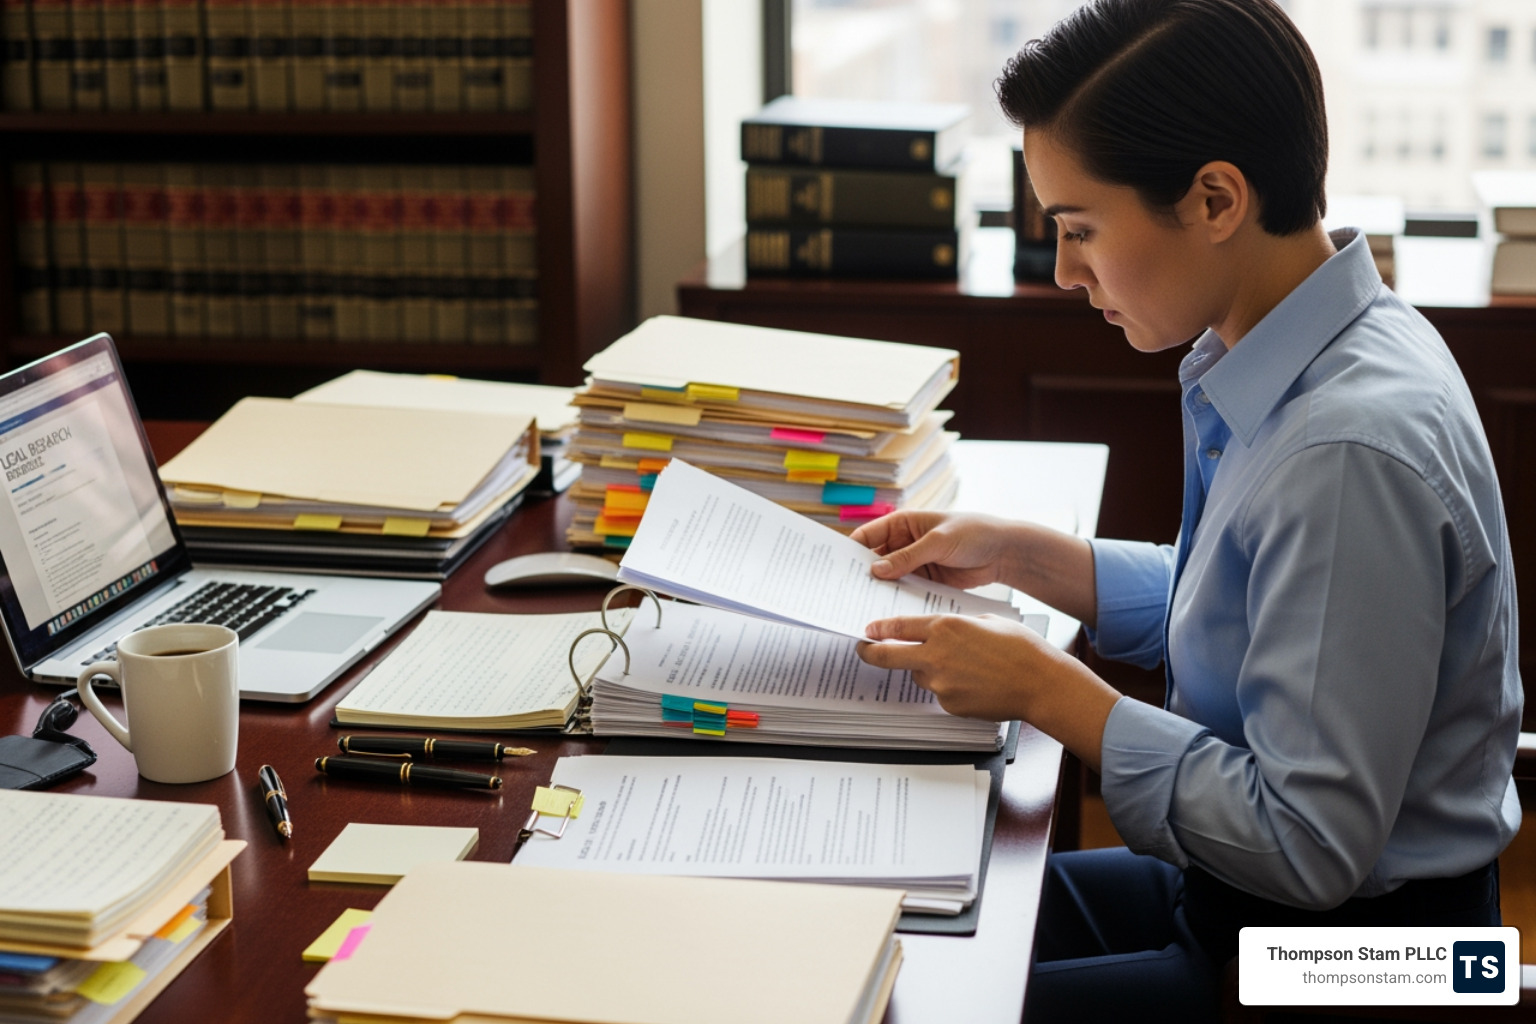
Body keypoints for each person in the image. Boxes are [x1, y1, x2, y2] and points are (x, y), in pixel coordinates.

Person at [852, 1, 1523, 1020]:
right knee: (911, 926)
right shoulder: (1319, 341)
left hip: (1356, 961)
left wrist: (1051, 690)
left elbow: (1310, 844)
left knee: (928, 997)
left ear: (1215, 199)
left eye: (1080, 230)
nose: (1068, 271)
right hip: (1250, 892)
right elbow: (1272, 613)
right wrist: (1031, 556)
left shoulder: (1345, 450)